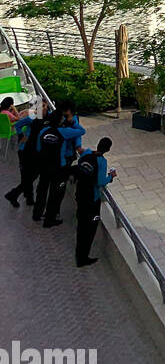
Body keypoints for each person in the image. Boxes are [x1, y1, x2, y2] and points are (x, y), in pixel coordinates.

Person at [32, 105, 84, 227]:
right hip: (58, 167)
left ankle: (37, 213)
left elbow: (39, 148)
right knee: (55, 193)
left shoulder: (43, 131)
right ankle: (50, 219)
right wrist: (72, 121)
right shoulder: (64, 132)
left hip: (44, 166)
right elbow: (82, 131)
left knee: (42, 189)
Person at [73, 136, 115, 267]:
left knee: (81, 227)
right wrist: (110, 177)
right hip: (92, 199)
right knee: (89, 229)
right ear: (108, 149)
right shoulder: (102, 161)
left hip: (80, 193)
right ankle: (83, 257)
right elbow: (100, 182)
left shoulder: (87, 153)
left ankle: (78, 253)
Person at [4, 99, 49, 207]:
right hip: (25, 150)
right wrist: (21, 135)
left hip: (36, 151)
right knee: (27, 176)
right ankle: (21, 196)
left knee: (31, 175)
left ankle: (20, 195)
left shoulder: (49, 117)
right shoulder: (32, 118)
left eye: (44, 106)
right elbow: (18, 125)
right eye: (39, 107)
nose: (42, 108)